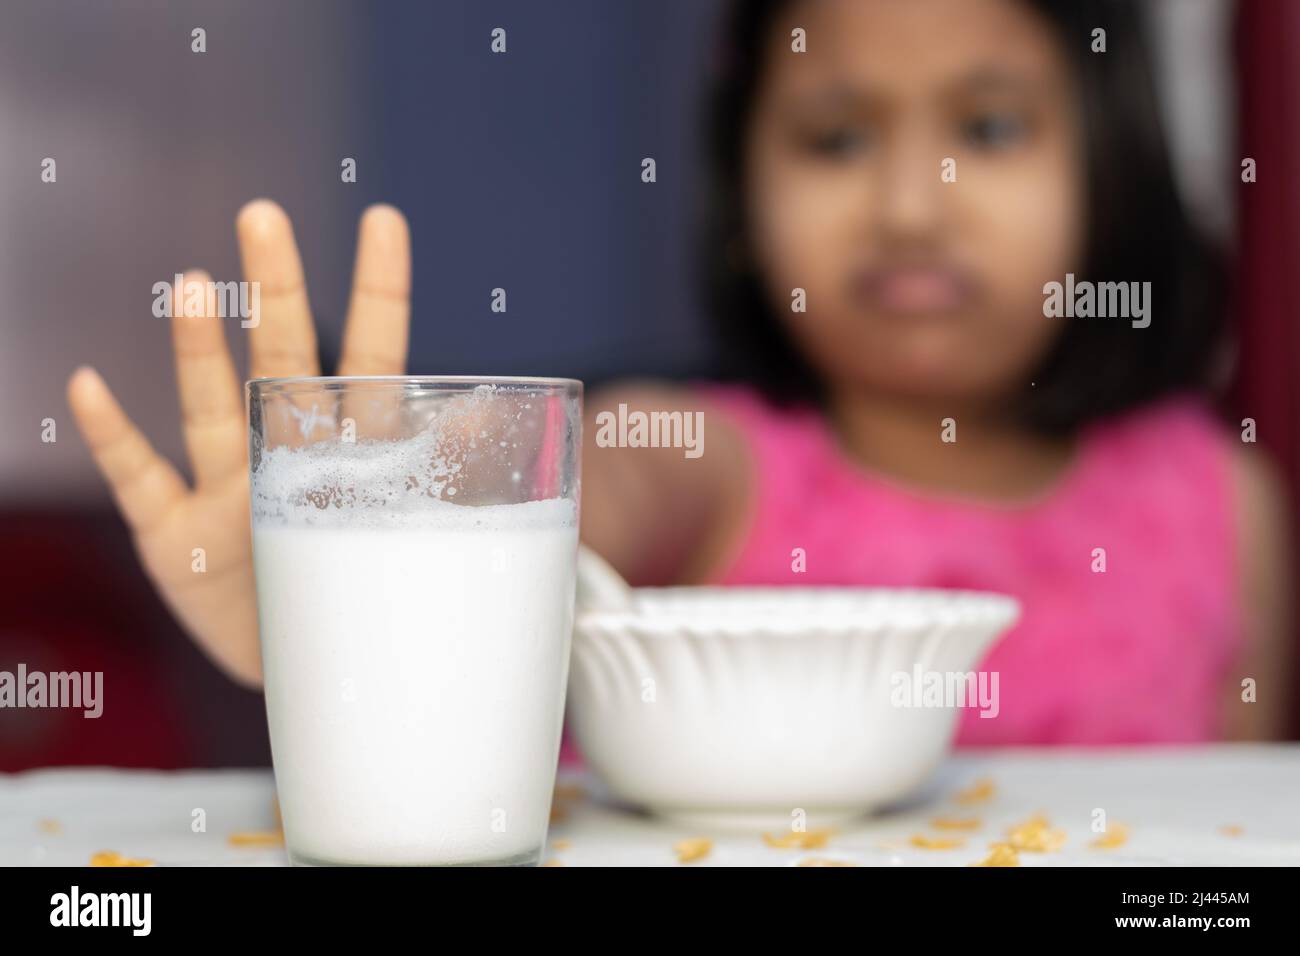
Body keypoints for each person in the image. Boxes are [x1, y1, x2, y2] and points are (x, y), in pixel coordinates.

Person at [67, 0, 1291, 744]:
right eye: (837, 136)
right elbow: (580, 485)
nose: (913, 207)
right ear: (742, 191)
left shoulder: (1223, 513)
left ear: (1115, 152)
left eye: (988, 127)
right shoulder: (705, 466)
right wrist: (358, 549)